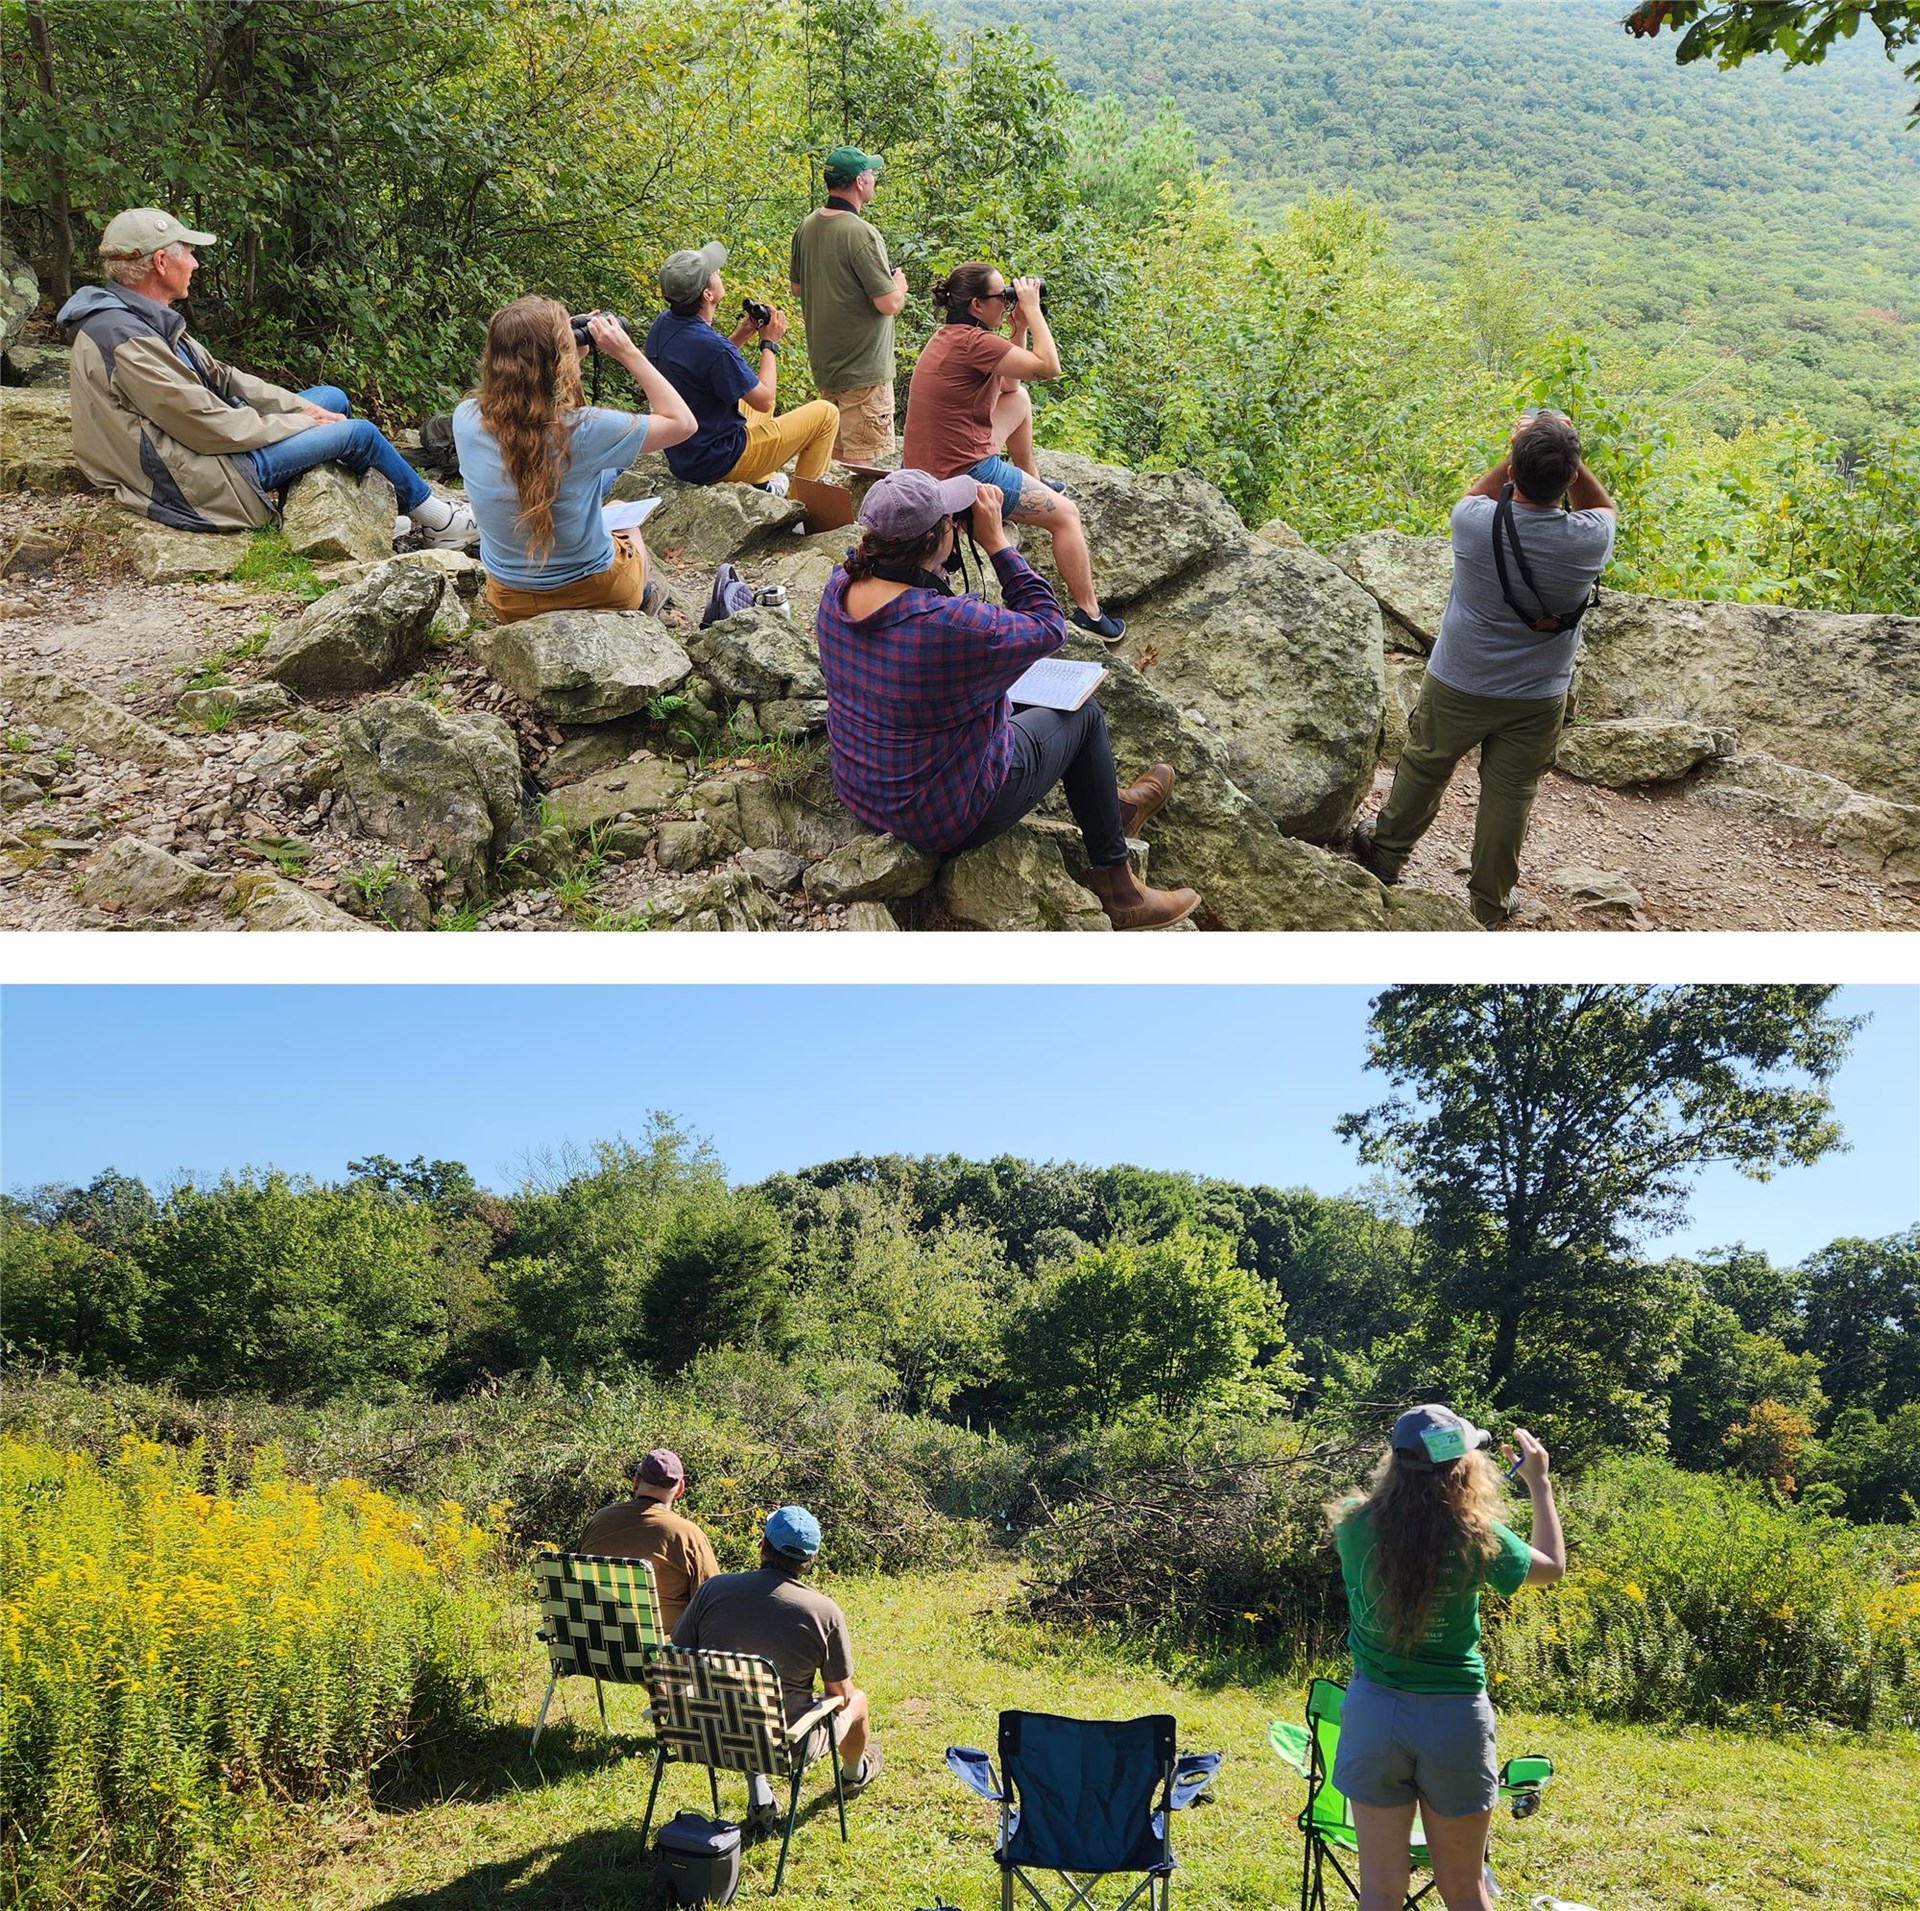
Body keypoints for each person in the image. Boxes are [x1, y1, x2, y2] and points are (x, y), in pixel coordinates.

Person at [814, 467, 1199, 930]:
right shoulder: (950, 624)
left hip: (863, 788)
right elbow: (1048, 626)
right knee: (1082, 713)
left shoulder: (838, 587)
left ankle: (1113, 807)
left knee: (1014, 693)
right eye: (950, 523)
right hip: (939, 816)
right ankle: (1121, 888)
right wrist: (998, 544)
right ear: (937, 539)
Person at [58, 207, 474, 545]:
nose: (197, 263)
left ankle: (388, 512)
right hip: (193, 475)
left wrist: (306, 408)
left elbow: (224, 378)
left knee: (331, 397)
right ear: (162, 262)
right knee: (358, 433)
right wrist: (298, 422)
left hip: (207, 448)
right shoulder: (122, 336)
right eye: (188, 252)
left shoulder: (137, 316)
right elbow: (203, 424)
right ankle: (440, 523)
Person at [1350, 412, 1618, 926]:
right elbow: (1600, 504)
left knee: (1426, 768)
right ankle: (1491, 904)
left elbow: (1481, 491)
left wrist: (1521, 446)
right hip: (1539, 694)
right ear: (1569, 476)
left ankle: (1385, 855)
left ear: (1515, 469)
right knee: (1512, 796)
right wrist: (1568, 457)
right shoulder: (1589, 539)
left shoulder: (1472, 523)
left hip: (1459, 680)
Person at [1328, 1406, 1566, 1911]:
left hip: (1373, 1713)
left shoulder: (1353, 1522)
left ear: (1394, 1459)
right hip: (1454, 1718)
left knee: (1379, 1891)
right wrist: (1539, 1484)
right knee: (1465, 1890)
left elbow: (1397, 1517)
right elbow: (1551, 1568)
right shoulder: (1475, 1533)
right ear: (1463, 1465)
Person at [901, 262, 1126, 643]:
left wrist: (1017, 327)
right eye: (1000, 297)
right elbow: (1049, 368)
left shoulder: (950, 335)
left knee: (1019, 400)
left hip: (929, 464)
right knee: (1067, 516)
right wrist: (1033, 309)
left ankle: (1033, 482)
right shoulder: (977, 343)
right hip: (964, 473)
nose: (1006, 302)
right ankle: (1090, 613)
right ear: (976, 304)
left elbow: (1008, 386)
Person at [453, 297, 695, 624]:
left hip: (510, 602)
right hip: (600, 591)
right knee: (625, 518)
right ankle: (645, 600)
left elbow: (535, 426)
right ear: (560, 360)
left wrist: (565, 358)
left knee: (601, 504)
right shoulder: (586, 429)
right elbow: (683, 423)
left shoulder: (465, 418)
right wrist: (627, 351)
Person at [671, 1505, 879, 1836]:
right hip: (783, 1747)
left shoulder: (713, 1590)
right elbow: (839, 1696)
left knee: (741, 1697)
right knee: (858, 1702)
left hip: (704, 1734)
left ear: (763, 1545)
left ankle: (760, 1799)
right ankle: (854, 1774)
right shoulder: (823, 1611)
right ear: (808, 1562)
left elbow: (676, 1657)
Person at [645, 241, 839, 493]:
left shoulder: (663, 324)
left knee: (746, 392)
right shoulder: (713, 347)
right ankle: (805, 509)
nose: (718, 274)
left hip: (686, 455)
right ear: (708, 294)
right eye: (714, 273)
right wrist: (769, 343)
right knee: (826, 414)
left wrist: (742, 334)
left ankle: (762, 484)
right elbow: (765, 400)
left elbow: (705, 363)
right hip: (721, 461)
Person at [788, 145, 908, 464]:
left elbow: (797, 287)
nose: (874, 178)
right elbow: (887, 303)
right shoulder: (861, 233)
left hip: (827, 367)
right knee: (861, 465)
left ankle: (831, 514)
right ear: (859, 181)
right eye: (871, 173)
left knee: (837, 459)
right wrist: (899, 286)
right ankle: (852, 517)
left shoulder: (807, 226)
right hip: (864, 371)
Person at [575, 1448, 720, 1635]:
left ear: (636, 1480)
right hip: (659, 1656)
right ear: (680, 1489)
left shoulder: (598, 1521)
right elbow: (711, 1604)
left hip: (592, 1647)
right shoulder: (688, 1535)